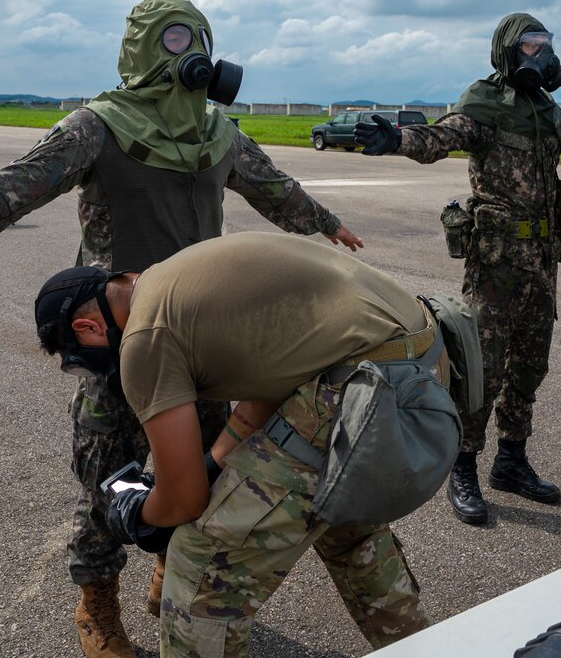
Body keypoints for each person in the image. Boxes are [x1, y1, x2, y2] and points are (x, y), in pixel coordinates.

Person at [0, 0, 362, 658]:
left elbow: (273, 185)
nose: (190, 56)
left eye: (195, 40)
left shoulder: (218, 133)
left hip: (201, 332)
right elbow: (16, 184)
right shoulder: (98, 127)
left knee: (208, 468)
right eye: (173, 41)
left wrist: (323, 222)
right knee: (105, 479)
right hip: (118, 334)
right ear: (142, 50)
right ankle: (96, 603)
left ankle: (171, 571)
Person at [33, 232, 433, 658]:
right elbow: (276, 382)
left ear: (87, 327)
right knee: (344, 522)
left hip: (359, 389)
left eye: (81, 362)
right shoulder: (174, 282)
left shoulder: (142, 338)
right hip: (421, 363)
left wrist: (139, 513)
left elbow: (184, 500)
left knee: (198, 567)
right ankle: (423, 648)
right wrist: (214, 462)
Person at [354, 13, 561, 526]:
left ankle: (511, 462)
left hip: (541, 261)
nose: (541, 54)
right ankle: (462, 465)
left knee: (530, 365)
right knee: (484, 367)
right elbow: (441, 137)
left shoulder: (546, 110)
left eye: (546, 44)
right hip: (496, 263)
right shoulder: (485, 103)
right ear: (508, 50)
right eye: (530, 45)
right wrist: (396, 139)